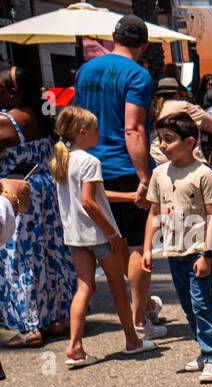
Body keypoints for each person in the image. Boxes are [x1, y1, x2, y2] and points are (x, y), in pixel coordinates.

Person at [72, 16, 164, 340]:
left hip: (89, 167)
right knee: (138, 243)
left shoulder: (85, 70)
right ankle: (139, 321)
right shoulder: (138, 74)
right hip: (123, 166)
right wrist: (144, 176)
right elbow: (133, 128)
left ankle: (136, 314)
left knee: (116, 241)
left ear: (113, 37)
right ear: (144, 46)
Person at [52, 106, 154, 367]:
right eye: (96, 129)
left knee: (84, 286)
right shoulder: (90, 161)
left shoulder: (62, 161)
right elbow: (89, 202)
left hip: (74, 236)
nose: (99, 134)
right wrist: (112, 233)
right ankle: (132, 340)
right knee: (118, 289)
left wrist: (130, 196)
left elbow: (96, 195)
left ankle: (75, 346)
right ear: (83, 132)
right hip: (99, 236)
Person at [142, 113, 212, 382]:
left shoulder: (203, 173)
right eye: (160, 139)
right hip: (174, 252)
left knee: (202, 304)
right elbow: (153, 213)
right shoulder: (158, 173)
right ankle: (204, 350)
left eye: (169, 139)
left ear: (190, 142)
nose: (163, 145)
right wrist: (147, 248)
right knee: (189, 306)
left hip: (199, 251)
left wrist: (208, 255)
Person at [0, 66, 75, 349]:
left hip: (18, 194)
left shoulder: (7, 121)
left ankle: (29, 326)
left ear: (12, 93)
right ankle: (54, 316)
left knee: (19, 258)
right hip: (44, 190)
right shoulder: (42, 116)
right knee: (47, 253)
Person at [149, 77, 212, 165]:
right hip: (184, 162)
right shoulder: (183, 106)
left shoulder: (151, 110)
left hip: (157, 160)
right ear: (177, 94)